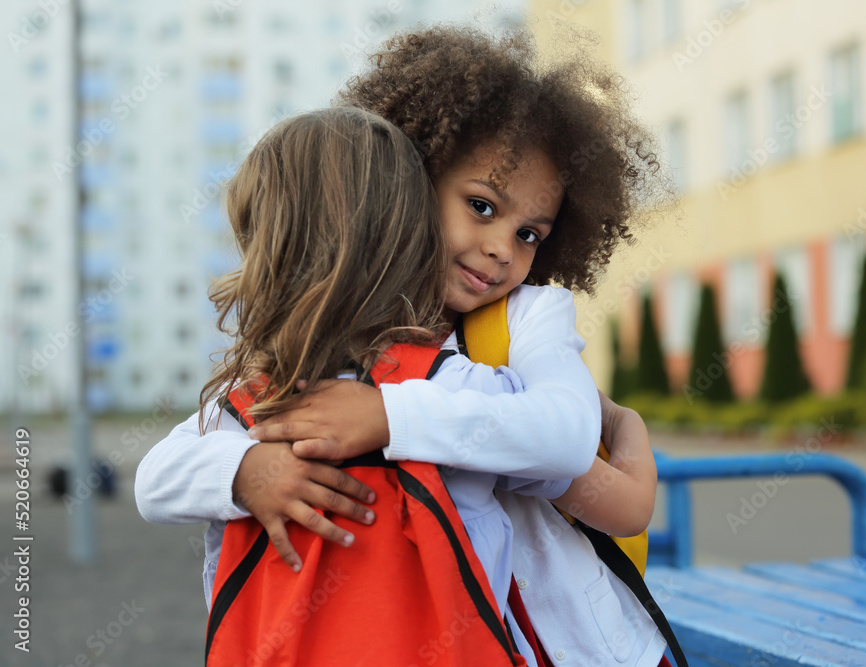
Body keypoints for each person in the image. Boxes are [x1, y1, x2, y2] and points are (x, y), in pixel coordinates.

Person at [137, 24, 677, 667]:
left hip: (574, 641)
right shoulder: (297, 369)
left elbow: (574, 448)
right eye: (481, 206)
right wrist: (244, 471)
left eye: (531, 233)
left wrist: (388, 417)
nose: (503, 248)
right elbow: (155, 477)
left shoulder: (523, 322)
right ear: (409, 185)